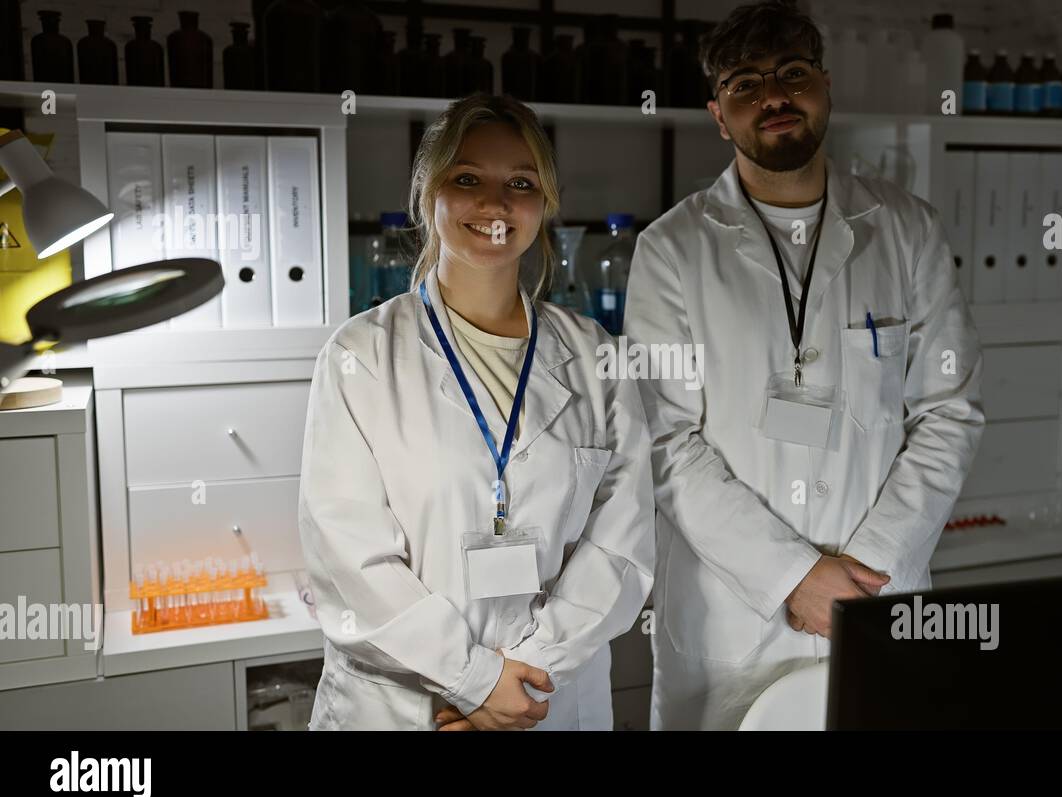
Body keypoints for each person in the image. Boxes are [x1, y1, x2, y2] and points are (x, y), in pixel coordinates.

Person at [624, 0, 986, 730]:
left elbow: (950, 409)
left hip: (877, 599)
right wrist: (793, 575)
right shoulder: (673, 250)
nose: (774, 97)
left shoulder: (906, 230)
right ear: (719, 115)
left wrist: (862, 573)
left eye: (792, 73)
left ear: (825, 86)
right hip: (733, 625)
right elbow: (667, 442)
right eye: (745, 83)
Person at [299, 93, 655, 730]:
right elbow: (346, 558)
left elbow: (623, 545)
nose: (494, 205)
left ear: (544, 203)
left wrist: (515, 687)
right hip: (411, 705)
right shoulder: (361, 356)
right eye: (467, 179)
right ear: (426, 194)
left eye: (520, 182)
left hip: (549, 699)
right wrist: (473, 680)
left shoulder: (595, 356)